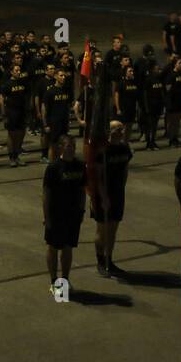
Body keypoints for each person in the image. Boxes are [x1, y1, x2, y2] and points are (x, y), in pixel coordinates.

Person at [42, 135, 85, 296]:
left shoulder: (80, 166)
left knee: (68, 247)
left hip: (73, 214)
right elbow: (46, 193)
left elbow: (82, 190)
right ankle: (54, 280)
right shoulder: (54, 168)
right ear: (60, 147)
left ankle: (65, 279)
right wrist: (46, 216)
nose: (71, 148)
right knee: (53, 247)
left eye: (73, 146)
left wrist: (81, 210)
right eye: (68, 146)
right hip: (56, 213)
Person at [91, 121, 133, 277]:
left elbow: (125, 170)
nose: (121, 130)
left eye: (122, 128)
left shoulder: (124, 148)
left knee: (113, 229)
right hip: (103, 194)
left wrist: (122, 189)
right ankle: (100, 260)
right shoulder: (103, 150)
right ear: (109, 130)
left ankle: (109, 259)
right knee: (102, 229)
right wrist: (103, 197)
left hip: (117, 193)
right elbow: (98, 176)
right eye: (117, 128)